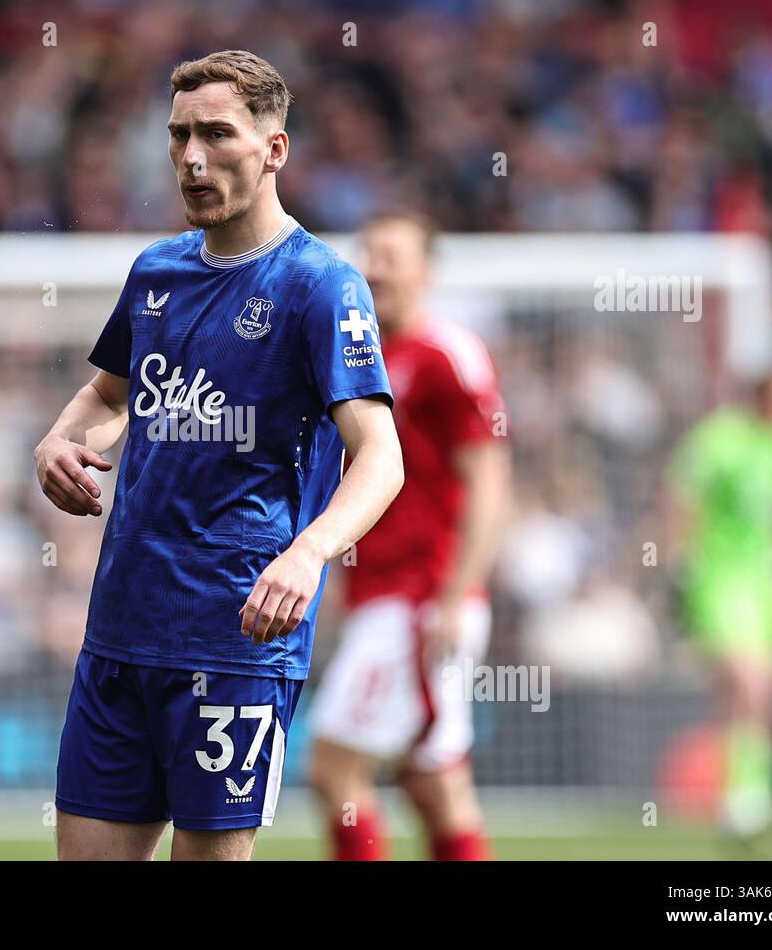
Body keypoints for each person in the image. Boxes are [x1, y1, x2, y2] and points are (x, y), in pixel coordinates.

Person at [33, 50, 404, 861]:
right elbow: (109, 396)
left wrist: (309, 556)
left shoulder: (321, 286)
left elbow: (380, 454)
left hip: (234, 643)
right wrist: (62, 441)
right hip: (120, 634)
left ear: (274, 149)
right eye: (178, 137)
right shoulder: (157, 271)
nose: (192, 158)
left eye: (217, 134)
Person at [307, 211, 511, 861]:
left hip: (422, 598)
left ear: (425, 271)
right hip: (386, 596)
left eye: (393, 256)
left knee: (334, 766)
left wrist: (456, 595)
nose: (376, 267)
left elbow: (489, 484)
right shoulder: (360, 359)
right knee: (432, 782)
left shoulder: (447, 355)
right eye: (370, 253)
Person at [667, 365, 772, 837]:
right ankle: (741, 796)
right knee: (747, 681)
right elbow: (683, 498)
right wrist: (677, 563)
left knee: (765, 689)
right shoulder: (720, 439)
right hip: (719, 576)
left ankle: (749, 793)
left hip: (763, 583)